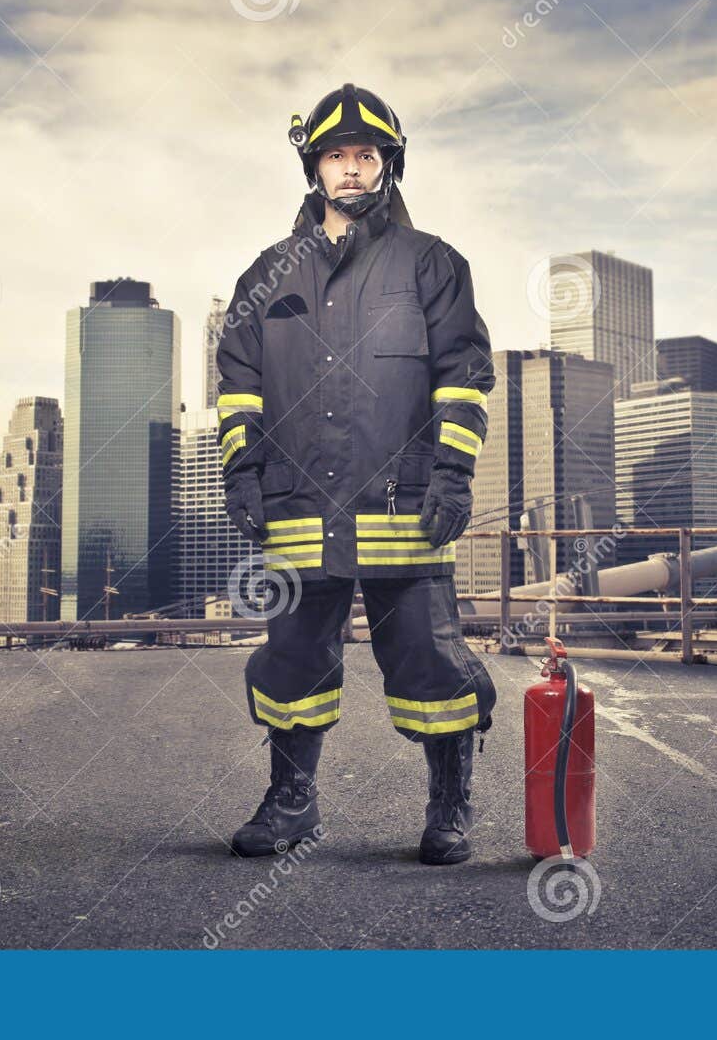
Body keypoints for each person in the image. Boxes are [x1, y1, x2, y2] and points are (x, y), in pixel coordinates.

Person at [215, 83, 496, 865]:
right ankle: (292, 804)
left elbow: (463, 378)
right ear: (314, 166)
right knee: (293, 660)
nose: (349, 169)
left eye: (364, 156)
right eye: (335, 156)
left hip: (404, 508)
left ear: (388, 165)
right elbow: (237, 383)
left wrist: (452, 477)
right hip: (298, 509)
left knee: (432, 663)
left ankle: (449, 806)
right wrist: (242, 470)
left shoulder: (433, 265)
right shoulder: (265, 277)